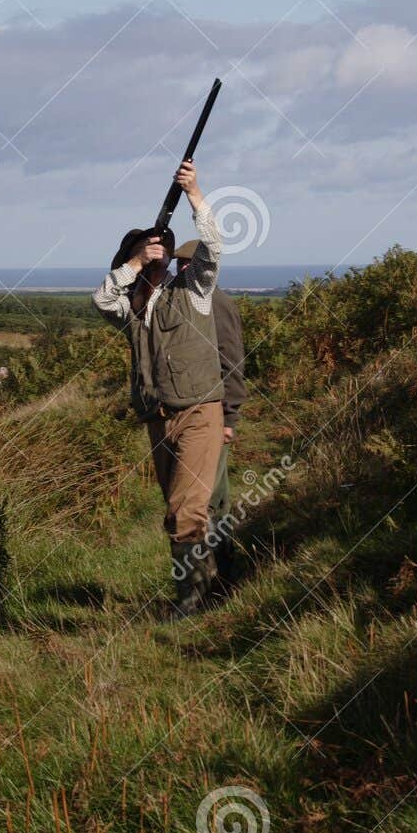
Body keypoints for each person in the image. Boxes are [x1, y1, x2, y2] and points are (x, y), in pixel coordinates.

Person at [92, 160, 224, 618]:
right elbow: (101, 298)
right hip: (157, 419)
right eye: (148, 250)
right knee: (178, 512)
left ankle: (189, 605)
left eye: (159, 247)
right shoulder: (131, 307)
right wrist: (135, 263)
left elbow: (212, 247)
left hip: (200, 410)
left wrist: (194, 194)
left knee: (185, 512)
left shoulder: (193, 289)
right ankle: (210, 590)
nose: (157, 252)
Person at [173, 241, 246, 592]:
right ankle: (218, 579)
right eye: (179, 266)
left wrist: (229, 419)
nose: (181, 271)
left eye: (188, 266)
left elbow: (231, 363)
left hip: (213, 414)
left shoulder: (219, 304)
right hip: (190, 414)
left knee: (212, 500)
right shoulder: (185, 303)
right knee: (202, 499)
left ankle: (223, 579)